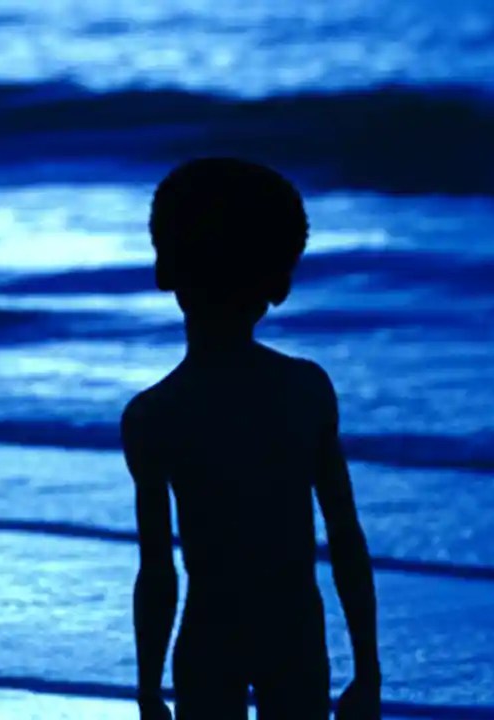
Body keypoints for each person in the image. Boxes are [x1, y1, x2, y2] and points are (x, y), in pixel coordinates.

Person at [121, 158, 382, 720]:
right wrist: (367, 667)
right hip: (294, 633)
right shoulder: (305, 392)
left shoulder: (154, 415)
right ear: (279, 282)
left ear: (165, 269)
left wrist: (147, 685)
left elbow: (158, 571)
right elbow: (344, 538)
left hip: (209, 634)